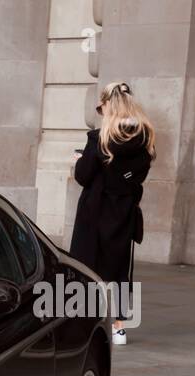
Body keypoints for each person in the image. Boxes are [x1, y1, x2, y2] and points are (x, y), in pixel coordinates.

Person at [71, 80, 155, 346]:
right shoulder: (144, 139)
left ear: (108, 104)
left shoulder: (99, 139)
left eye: (101, 106)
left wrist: (79, 162)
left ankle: (83, 323)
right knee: (118, 269)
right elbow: (135, 177)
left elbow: (84, 176)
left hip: (94, 211)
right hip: (123, 211)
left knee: (86, 267)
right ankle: (119, 327)